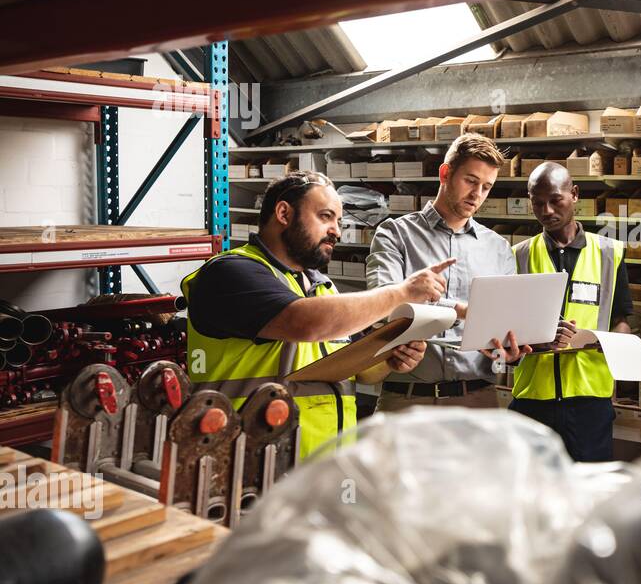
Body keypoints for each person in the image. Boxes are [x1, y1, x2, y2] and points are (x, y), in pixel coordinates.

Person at [183, 171, 450, 459]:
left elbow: (361, 372)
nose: (336, 230)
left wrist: (391, 356)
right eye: (325, 217)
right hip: (246, 460)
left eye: (339, 222)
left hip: (321, 463)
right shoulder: (230, 272)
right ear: (284, 213)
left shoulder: (323, 288)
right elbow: (305, 323)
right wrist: (401, 293)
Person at [368, 133, 530, 412]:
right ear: (445, 173)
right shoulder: (395, 234)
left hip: (478, 399)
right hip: (407, 398)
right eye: (470, 180)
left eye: (486, 187)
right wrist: (460, 310)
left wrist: (509, 354)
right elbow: (382, 307)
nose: (477, 194)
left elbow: (503, 331)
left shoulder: (499, 248)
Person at [508, 162, 633, 461]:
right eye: (538, 203)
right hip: (533, 400)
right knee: (534, 495)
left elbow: (622, 318)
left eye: (555, 200)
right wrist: (537, 341)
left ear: (574, 194)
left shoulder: (609, 252)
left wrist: (612, 342)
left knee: (589, 492)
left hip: (590, 400)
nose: (547, 211)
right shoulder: (517, 256)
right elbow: (504, 330)